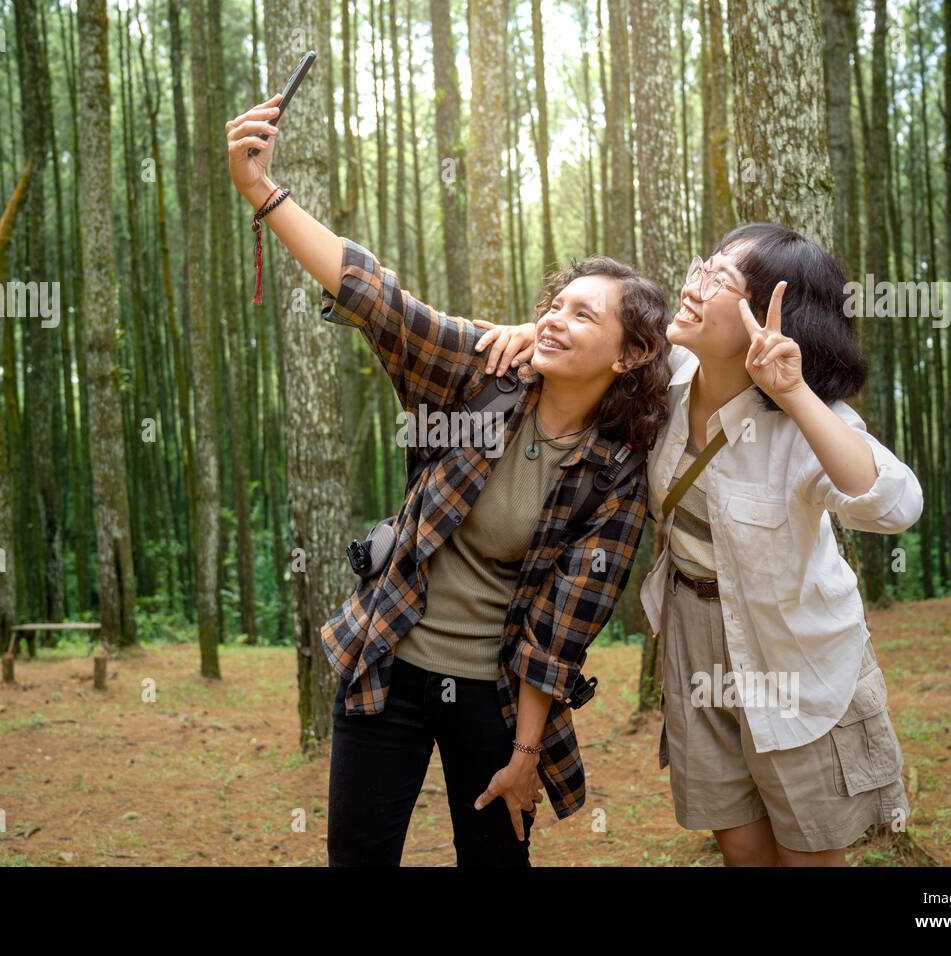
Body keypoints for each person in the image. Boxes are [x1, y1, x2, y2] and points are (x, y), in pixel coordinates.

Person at [226, 94, 673, 866]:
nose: (558, 320)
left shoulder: (618, 473)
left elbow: (559, 632)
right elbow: (380, 299)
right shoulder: (482, 374)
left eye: (584, 316)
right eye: (554, 306)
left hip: (495, 698)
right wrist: (263, 192)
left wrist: (526, 754)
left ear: (630, 355)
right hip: (388, 661)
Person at [494, 222, 923, 865]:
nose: (694, 284)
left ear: (776, 317)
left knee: (808, 850)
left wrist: (793, 392)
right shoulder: (665, 381)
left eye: (722, 279)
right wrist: (537, 332)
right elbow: (603, 342)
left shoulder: (805, 423)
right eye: (703, 265)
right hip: (693, 640)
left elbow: (894, 504)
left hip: (792, 655)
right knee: (740, 847)